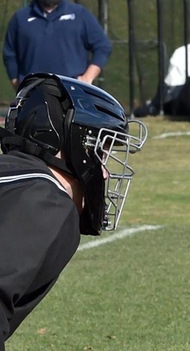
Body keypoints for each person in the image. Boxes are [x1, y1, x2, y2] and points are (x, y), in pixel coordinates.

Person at [0, 73, 148, 346]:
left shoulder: (14, 179)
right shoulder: (44, 201)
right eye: (102, 153)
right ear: (77, 144)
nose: (104, 174)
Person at [4, 0, 112, 88]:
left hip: (71, 91)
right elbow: (9, 53)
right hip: (33, 93)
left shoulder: (79, 14)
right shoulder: (21, 18)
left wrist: (87, 78)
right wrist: (17, 83)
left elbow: (103, 46)